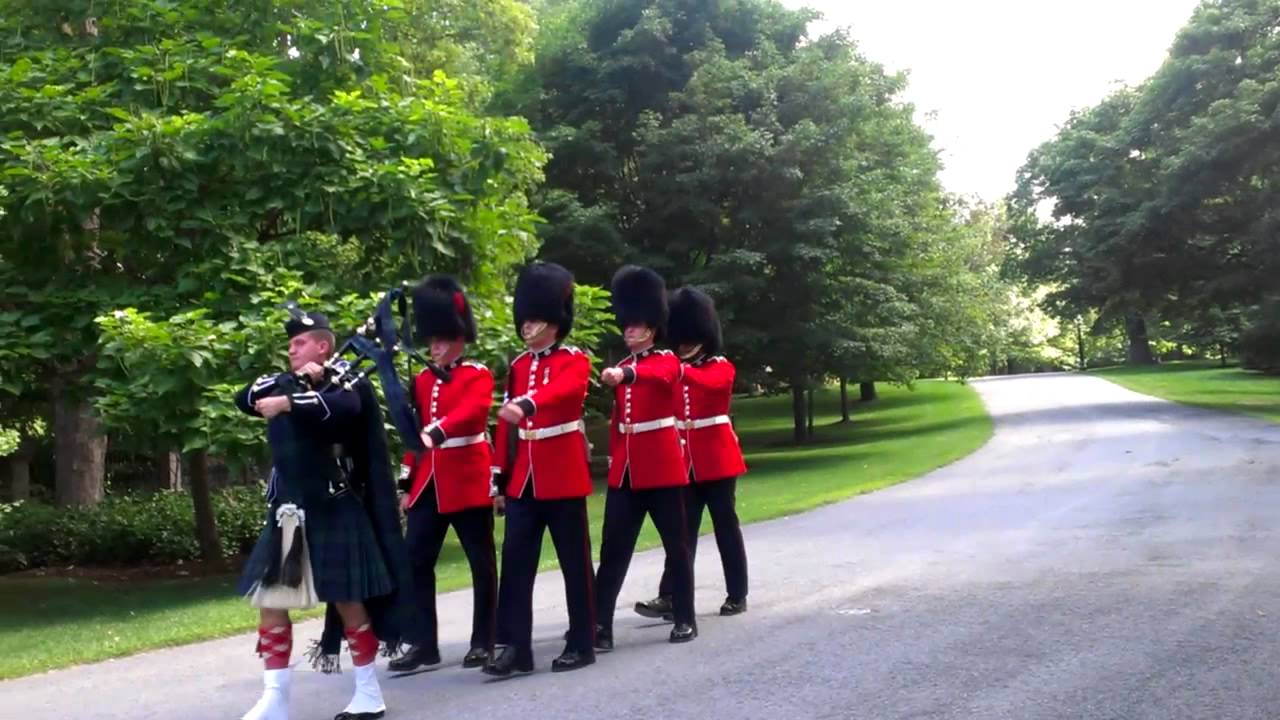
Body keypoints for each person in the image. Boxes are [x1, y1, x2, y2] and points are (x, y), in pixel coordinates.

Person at [235, 309, 417, 720]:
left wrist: (292, 400)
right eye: (290, 344)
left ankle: (369, 692)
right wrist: (294, 385)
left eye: (299, 343)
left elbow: (342, 408)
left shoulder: (346, 382)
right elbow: (245, 398)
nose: (291, 349)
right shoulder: (284, 381)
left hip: (333, 505)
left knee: (347, 598)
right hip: (289, 511)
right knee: (272, 601)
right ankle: (275, 699)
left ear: (323, 346)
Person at [483, 261, 598, 676]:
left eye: (533, 319)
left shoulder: (574, 359)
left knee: (574, 564)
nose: (526, 326)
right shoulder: (518, 365)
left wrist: (529, 404)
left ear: (553, 321)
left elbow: (564, 390)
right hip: (523, 479)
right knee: (515, 565)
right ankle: (515, 648)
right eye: (525, 319)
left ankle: (582, 641)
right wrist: (499, 477)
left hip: (562, 475)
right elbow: (506, 427)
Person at [388, 276, 498, 673]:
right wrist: (406, 483)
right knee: (415, 561)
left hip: (467, 479)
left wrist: (438, 431)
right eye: (431, 340)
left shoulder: (477, 374)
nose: (433, 346)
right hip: (429, 482)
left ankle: (484, 640)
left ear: (458, 337)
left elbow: (472, 412)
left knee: (480, 563)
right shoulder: (422, 379)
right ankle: (423, 643)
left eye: (441, 339)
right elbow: (414, 436)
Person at [594, 265, 697, 649]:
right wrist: (614, 462)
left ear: (652, 328)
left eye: (636, 325)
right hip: (627, 471)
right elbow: (619, 423)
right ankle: (600, 625)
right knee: (612, 551)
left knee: (677, 547)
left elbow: (658, 377)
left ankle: (684, 618)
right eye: (627, 325)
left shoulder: (667, 361)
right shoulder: (623, 367)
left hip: (662, 468)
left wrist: (627, 377)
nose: (629, 330)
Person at [634, 286, 749, 623]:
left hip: (718, 458)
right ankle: (671, 595)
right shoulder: (675, 366)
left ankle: (737, 593)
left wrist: (675, 369)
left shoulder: (720, 366)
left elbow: (710, 384)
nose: (683, 346)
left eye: (690, 339)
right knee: (681, 533)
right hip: (684, 461)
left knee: (726, 526)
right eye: (680, 340)